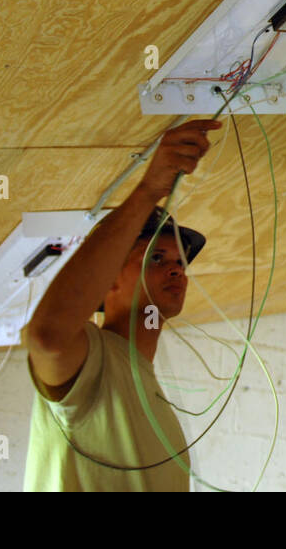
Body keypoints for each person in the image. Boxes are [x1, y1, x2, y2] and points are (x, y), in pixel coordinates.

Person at [22, 119, 222, 491]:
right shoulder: (93, 361)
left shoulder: (151, 394)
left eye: (180, 262)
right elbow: (47, 337)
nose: (177, 269)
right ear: (108, 277)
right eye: (157, 258)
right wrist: (147, 191)